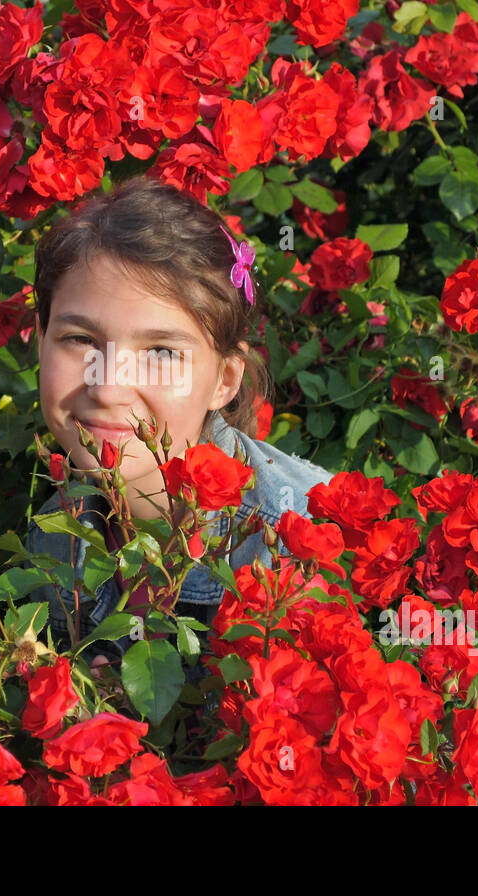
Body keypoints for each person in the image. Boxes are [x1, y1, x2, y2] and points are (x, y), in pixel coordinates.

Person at [24, 176, 336, 671]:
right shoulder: (57, 531)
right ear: (40, 338)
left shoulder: (300, 536)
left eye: (161, 352)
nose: (108, 387)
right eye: (81, 339)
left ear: (225, 379)